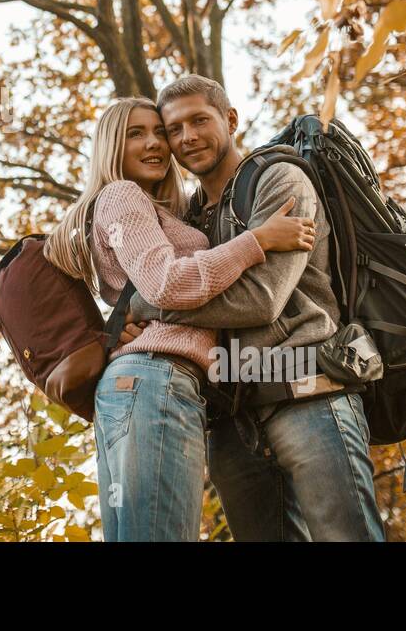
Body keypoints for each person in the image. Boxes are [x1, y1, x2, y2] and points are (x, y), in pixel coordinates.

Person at [44, 96, 315, 541]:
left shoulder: (153, 207)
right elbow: (166, 285)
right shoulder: (122, 195)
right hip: (154, 381)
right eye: (136, 134)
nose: (155, 143)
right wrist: (257, 240)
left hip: (152, 384)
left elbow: (147, 291)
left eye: (159, 132)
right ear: (112, 144)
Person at [130, 74, 386, 541]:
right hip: (231, 417)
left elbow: (264, 299)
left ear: (230, 119)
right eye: (174, 129)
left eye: (199, 120)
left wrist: (154, 304)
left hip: (309, 391)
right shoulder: (187, 218)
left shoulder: (279, 178)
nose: (187, 137)